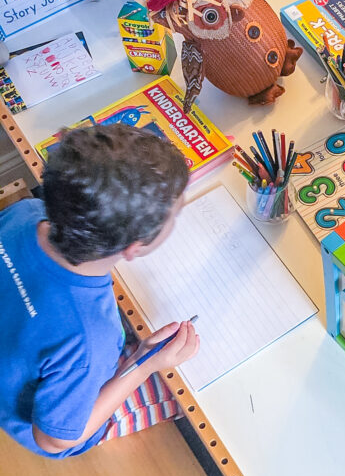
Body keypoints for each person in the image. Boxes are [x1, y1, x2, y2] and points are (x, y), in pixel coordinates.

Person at [0, 124, 199, 457]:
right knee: (179, 400)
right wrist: (142, 363)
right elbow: (55, 440)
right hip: (28, 418)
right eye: (175, 215)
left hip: (17, 357)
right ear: (135, 247)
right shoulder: (91, 335)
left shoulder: (25, 213)